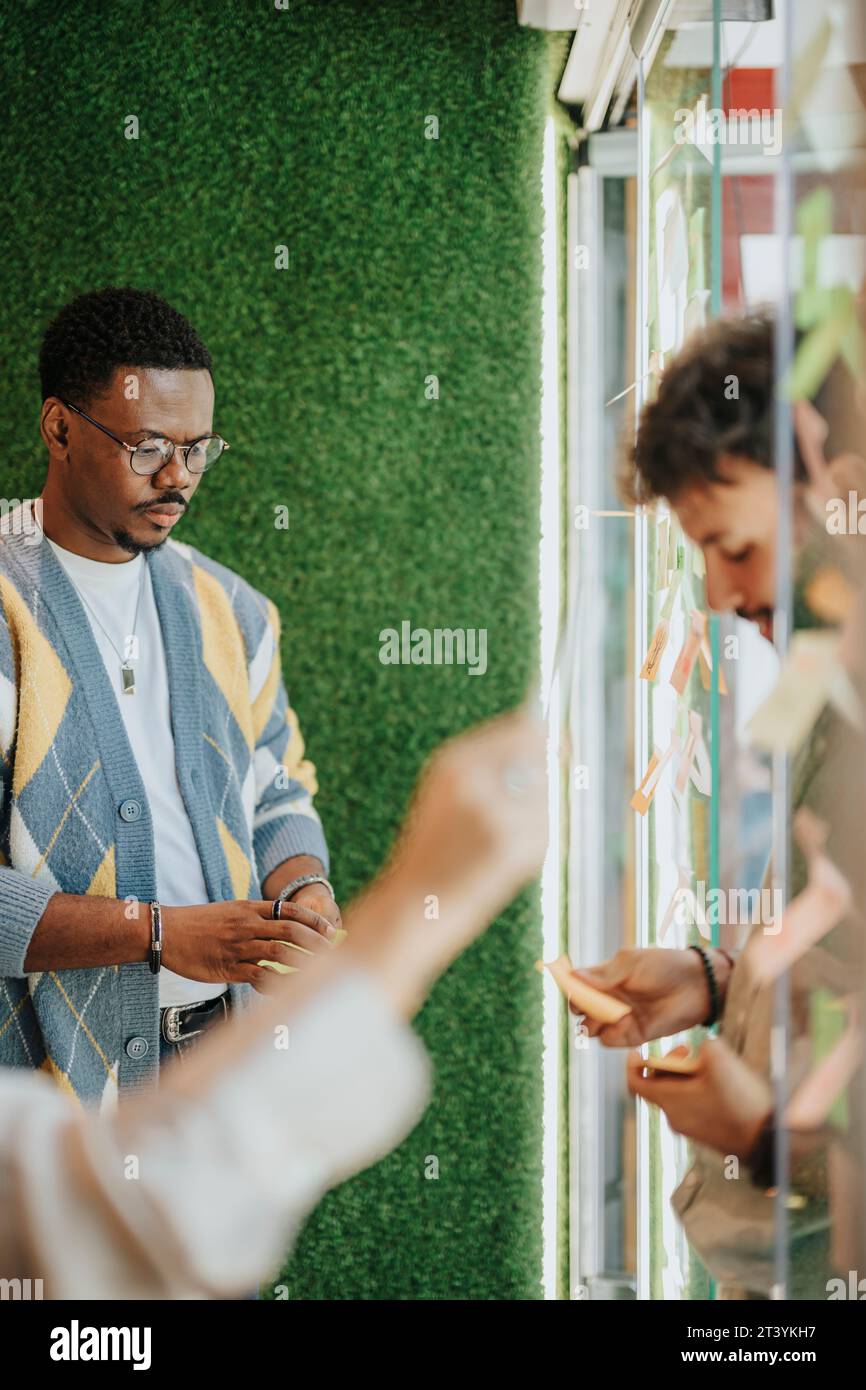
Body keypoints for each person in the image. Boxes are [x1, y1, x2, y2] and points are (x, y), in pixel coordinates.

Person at [0, 707, 547, 1300]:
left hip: (226, 1040)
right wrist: (404, 924)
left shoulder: (239, 614)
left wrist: (303, 884)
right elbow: (101, 1235)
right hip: (51, 1051)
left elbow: (275, 776)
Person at [573, 312, 865, 1297]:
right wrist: (714, 981)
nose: (715, 591)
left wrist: (760, 1131)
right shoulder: (824, 695)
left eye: (730, 543)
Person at [0, 286, 341, 1103]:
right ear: (59, 429)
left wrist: (304, 892)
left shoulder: (234, 610)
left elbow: (276, 788)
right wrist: (156, 936)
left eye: (199, 448)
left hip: (220, 1060)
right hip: (41, 1085)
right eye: (149, 446)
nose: (178, 478)